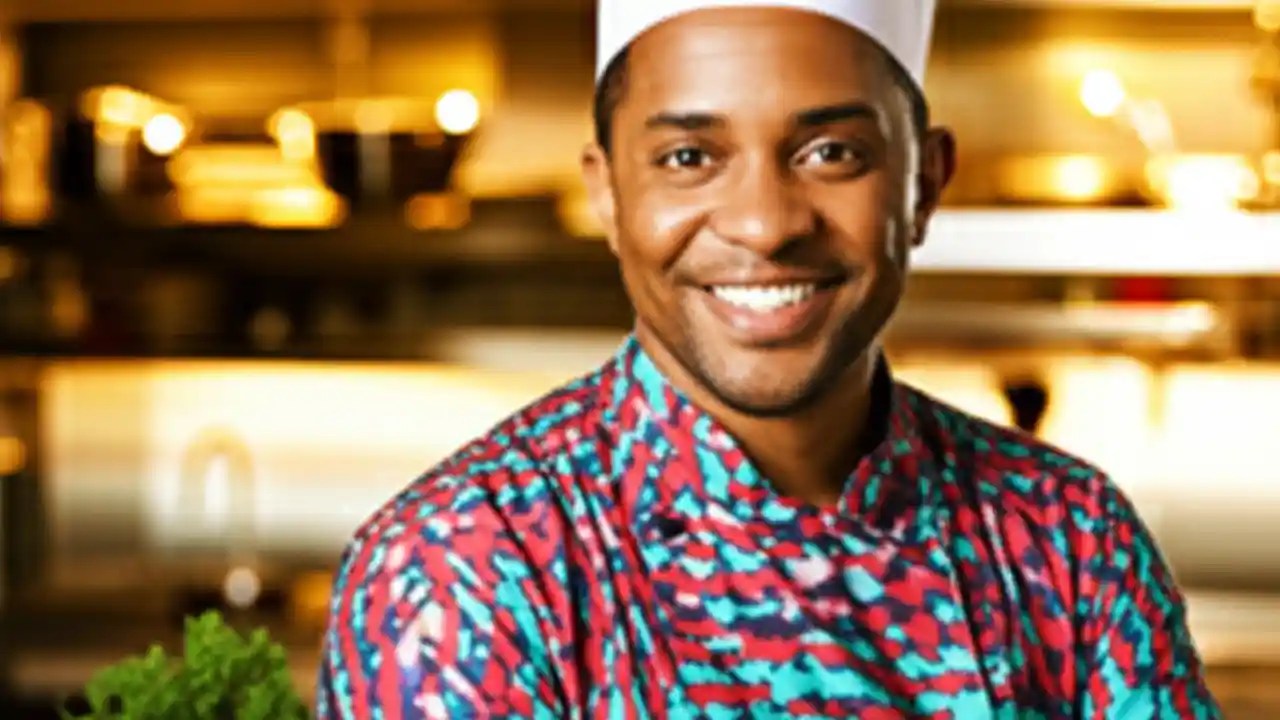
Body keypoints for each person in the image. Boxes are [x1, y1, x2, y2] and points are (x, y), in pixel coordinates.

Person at [316, 1, 1222, 717]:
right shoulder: (463, 565)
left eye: (832, 153)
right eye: (689, 157)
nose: (765, 222)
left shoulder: (1069, 534)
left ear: (925, 185)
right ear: (607, 192)